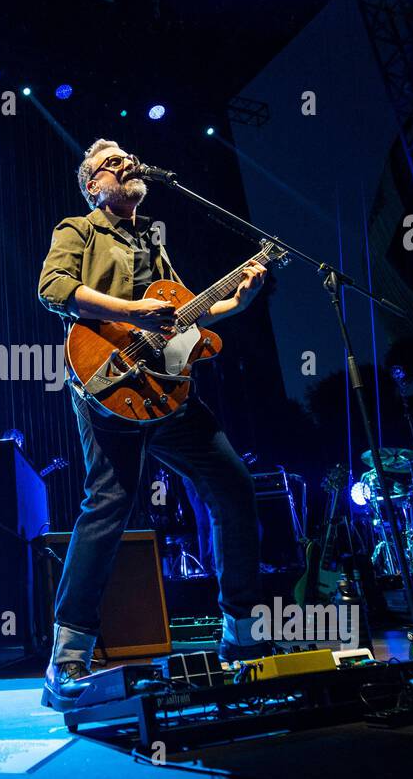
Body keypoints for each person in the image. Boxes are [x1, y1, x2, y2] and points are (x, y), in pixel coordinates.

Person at [37, 139, 271, 705]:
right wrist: (133, 312)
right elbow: (54, 289)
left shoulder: (152, 241)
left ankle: (241, 637)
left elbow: (183, 316)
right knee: (108, 507)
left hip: (165, 392)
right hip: (108, 380)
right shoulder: (79, 229)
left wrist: (235, 303)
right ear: (94, 185)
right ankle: (67, 657)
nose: (125, 164)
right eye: (110, 163)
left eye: (126, 157)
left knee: (234, 486)